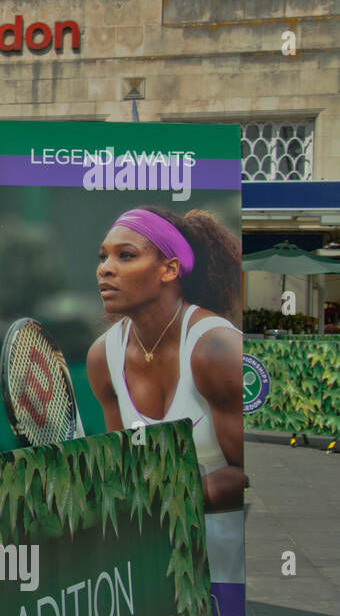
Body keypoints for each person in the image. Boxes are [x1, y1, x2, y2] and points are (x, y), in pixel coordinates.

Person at [86, 206, 243, 512]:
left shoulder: (217, 348)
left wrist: (166, 497)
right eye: (102, 256)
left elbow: (248, 471)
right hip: (153, 549)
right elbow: (123, 464)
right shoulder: (102, 356)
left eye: (126, 255)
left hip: (225, 546)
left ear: (169, 270)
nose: (105, 268)